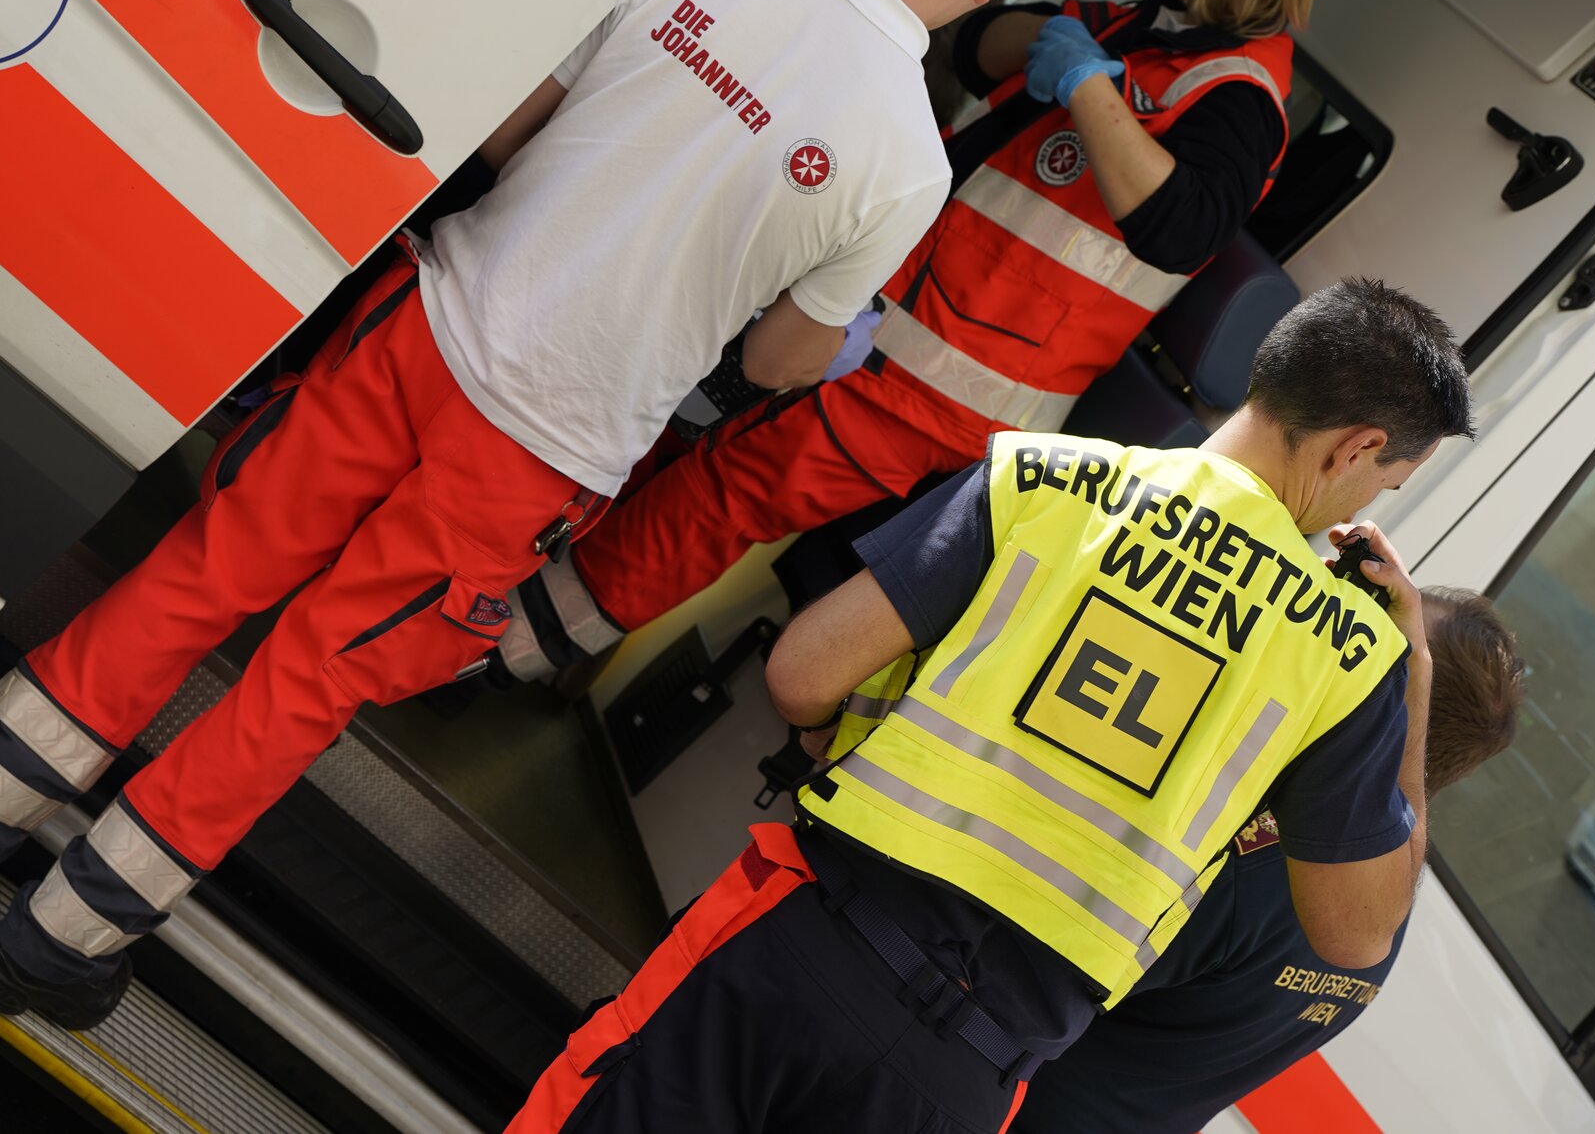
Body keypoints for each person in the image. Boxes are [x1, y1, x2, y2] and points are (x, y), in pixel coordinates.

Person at [0, 0, 1079, 1029]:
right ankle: (57, 942)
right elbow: (776, 358)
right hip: (539, 447)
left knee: (204, 569)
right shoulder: (907, 163)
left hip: (429, 327)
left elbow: (508, 129)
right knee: (306, 681)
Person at [506, 278, 1474, 1133]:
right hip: (964, 1070)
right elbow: (1353, 935)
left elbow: (804, 672)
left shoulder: (1043, 478)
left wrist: (831, 738)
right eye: (1387, 480)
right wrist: (1411, 676)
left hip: (803, 946)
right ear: (1359, 446)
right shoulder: (1349, 658)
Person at [492, 0, 1350, 690]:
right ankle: (506, 589)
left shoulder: (1241, 97)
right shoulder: (1150, 27)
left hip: (949, 383)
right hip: (889, 328)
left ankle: (511, 645)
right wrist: (1055, 42)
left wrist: (1093, 87)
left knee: (724, 494)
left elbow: (1181, 227)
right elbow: (980, 46)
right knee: (694, 450)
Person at [1013, 578, 1524, 1134]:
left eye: (1379, 631)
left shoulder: (1262, 856)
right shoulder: (1381, 916)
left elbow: (1024, 963)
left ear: (1396, 705)